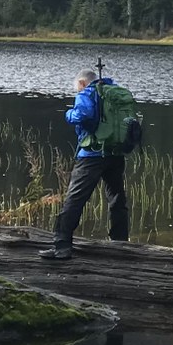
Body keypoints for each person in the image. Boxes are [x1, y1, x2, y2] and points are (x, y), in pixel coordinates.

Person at [43, 68, 131, 261]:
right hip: (115, 153)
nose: (77, 91)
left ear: (82, 83)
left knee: (75, 198)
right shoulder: (114, 92)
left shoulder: (86, 93)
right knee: (117, 198)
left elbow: (82, 115)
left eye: (77, 88)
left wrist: (68, 114)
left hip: (91, 154)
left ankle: (62, 246)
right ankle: (121, 244)